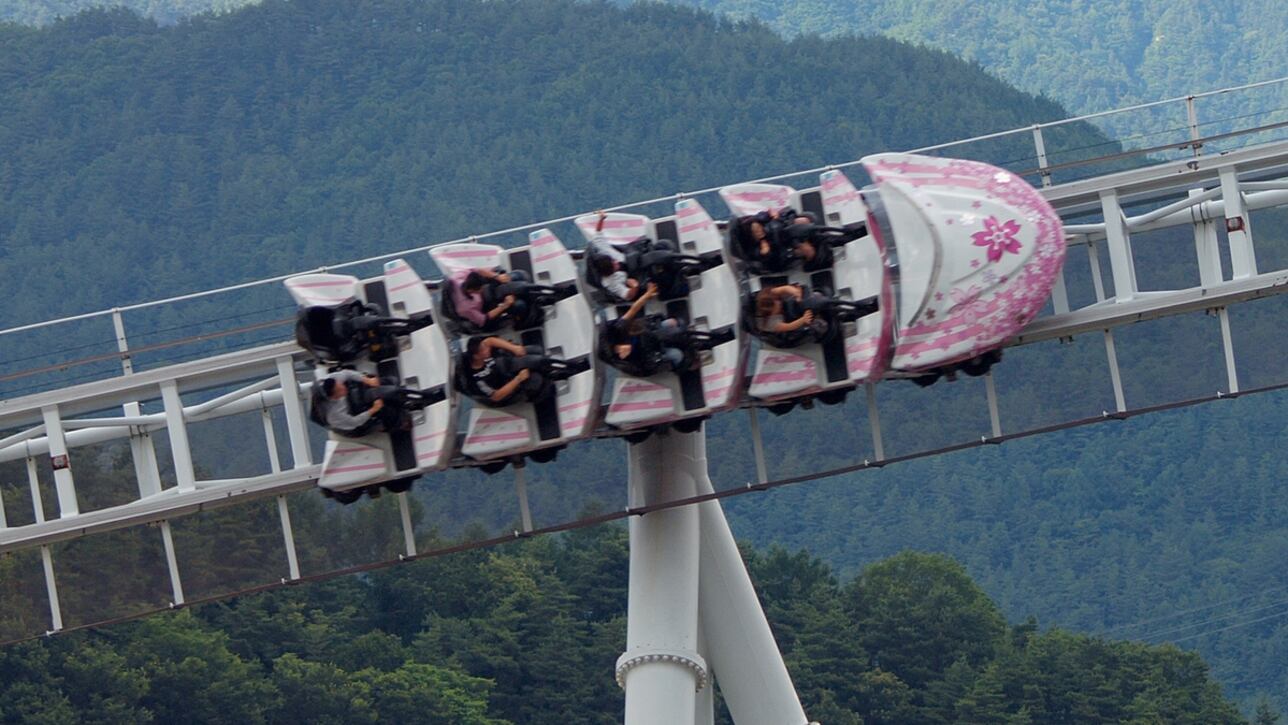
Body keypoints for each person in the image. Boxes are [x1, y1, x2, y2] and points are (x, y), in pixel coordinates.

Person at [603, 283, 697, 373]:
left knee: (671, 322)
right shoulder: (621, 357)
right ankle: (683, 367)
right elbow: (638, 365)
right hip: (649, 351)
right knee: (677, 355)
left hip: (651, 334)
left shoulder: (620, 327)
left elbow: (634, 309)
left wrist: (648, 294)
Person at [315, 369, 431, 435]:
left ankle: (407, 396)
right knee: (385, 412)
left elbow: (346, 374)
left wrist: (367, 380)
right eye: (339, 390)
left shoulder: (333, 380)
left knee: (386, 383)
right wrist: (373, 410)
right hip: (352, 421)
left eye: (340, 385)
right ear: (334, 396)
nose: (342, 387)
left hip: (355, 397)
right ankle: (399, 424)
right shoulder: (334, 415)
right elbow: (354, 422)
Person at [465, 336, 570, 405]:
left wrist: (513, 348)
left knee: (536, 353)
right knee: (537, 379)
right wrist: (518, 379)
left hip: (506, 365)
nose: (487, 349)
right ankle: (556, 377)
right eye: (483, 350)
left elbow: (489, 341)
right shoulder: (478, 380)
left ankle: (562, 366)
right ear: (476, 356)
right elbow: (495, 396)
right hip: (508, 382)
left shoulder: (484, 352)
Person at [448, 266, 532, 330]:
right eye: (480, 288)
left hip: (491, 289)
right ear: (471, 290)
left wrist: (496, 276)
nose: (482, 289)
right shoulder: (465, 309)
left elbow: (476, 270)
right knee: (520, 305)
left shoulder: (456, 278)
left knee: (517, 276)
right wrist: (505, 305)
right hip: (487, 307)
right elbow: (484, 319)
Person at [587, 210, 642, 302]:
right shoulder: (610, 283)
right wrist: (634, 286)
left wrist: (602, 218)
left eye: (613, 261)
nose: (616, 262)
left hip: (631, 255)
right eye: (614, 264)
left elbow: (598, 234)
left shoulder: (604, 250)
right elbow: (627, 295)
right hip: (634, 274)